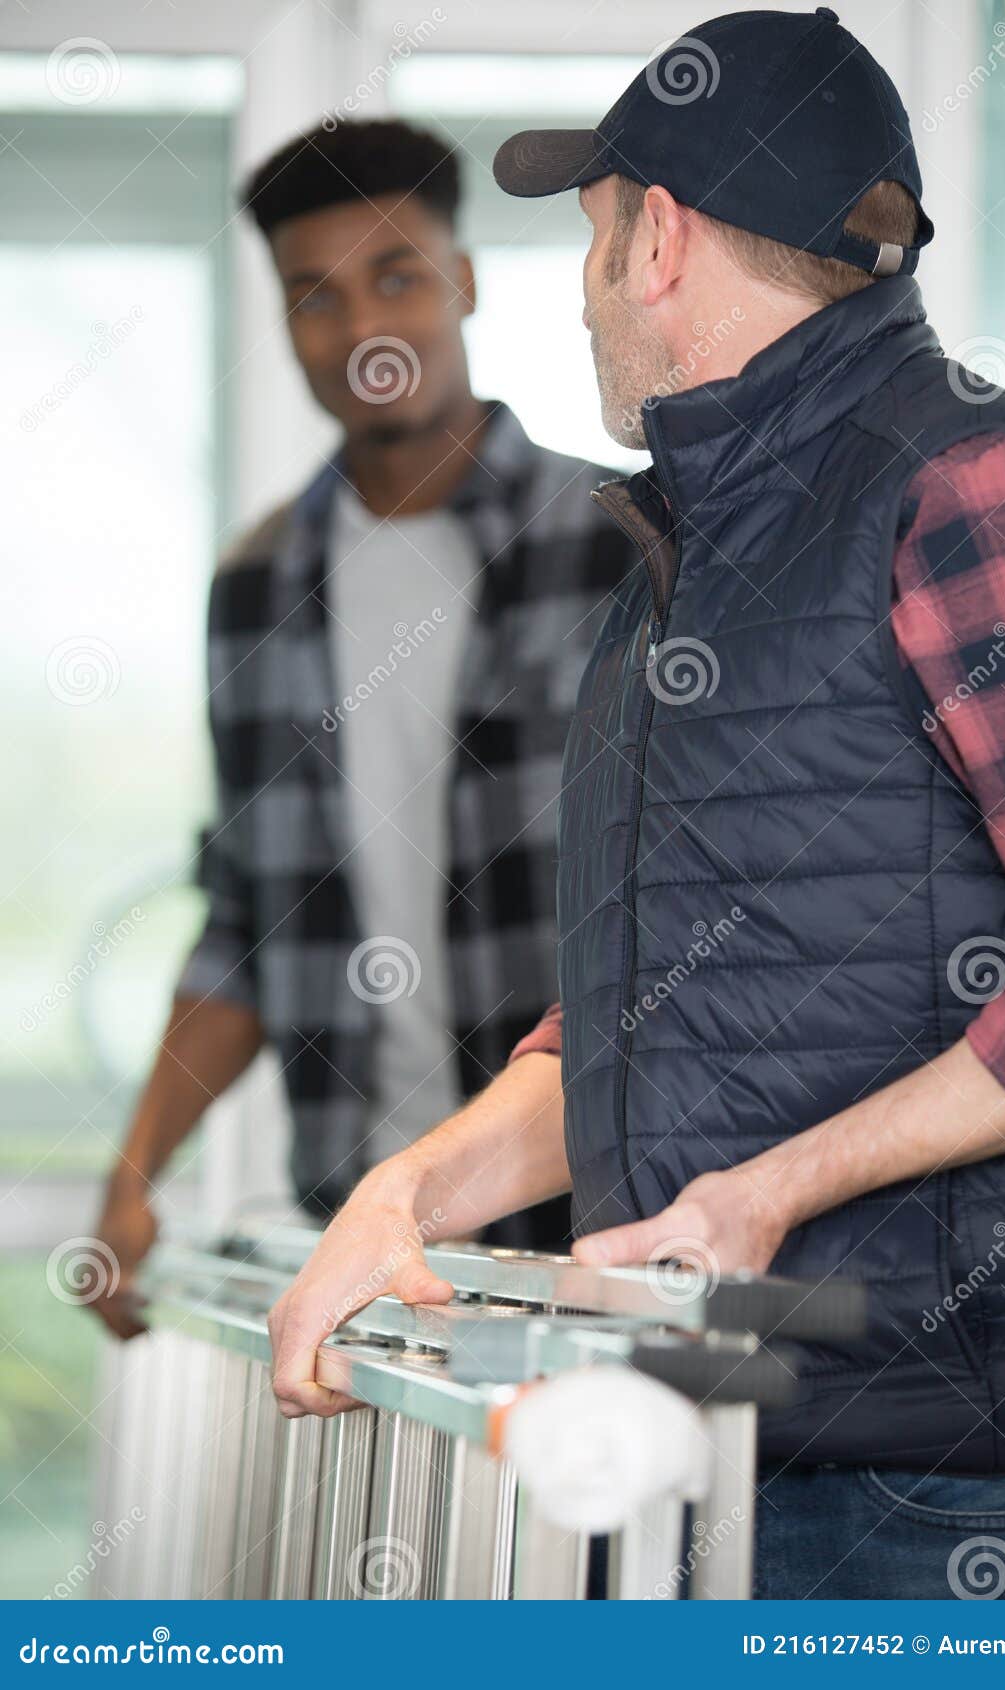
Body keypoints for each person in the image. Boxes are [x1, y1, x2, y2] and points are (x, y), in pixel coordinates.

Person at [267, 12, 1005, 1598]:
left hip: (947, 1492)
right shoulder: (678, 562)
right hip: (714, 1453)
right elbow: (633, 1021)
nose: (575, 298)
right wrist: (404, 1193)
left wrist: (768, 1194)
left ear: (656, 238)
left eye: (582, 241)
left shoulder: (969, 484)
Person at [89, 118, 636, 1340]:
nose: (361, 330)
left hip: (599, 1221)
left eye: (397, 276)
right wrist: (132, 1178)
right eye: (312, 297)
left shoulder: (624, 541)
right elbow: (243, 917)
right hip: (362, 1252)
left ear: (467, 282)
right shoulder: (255, 585)